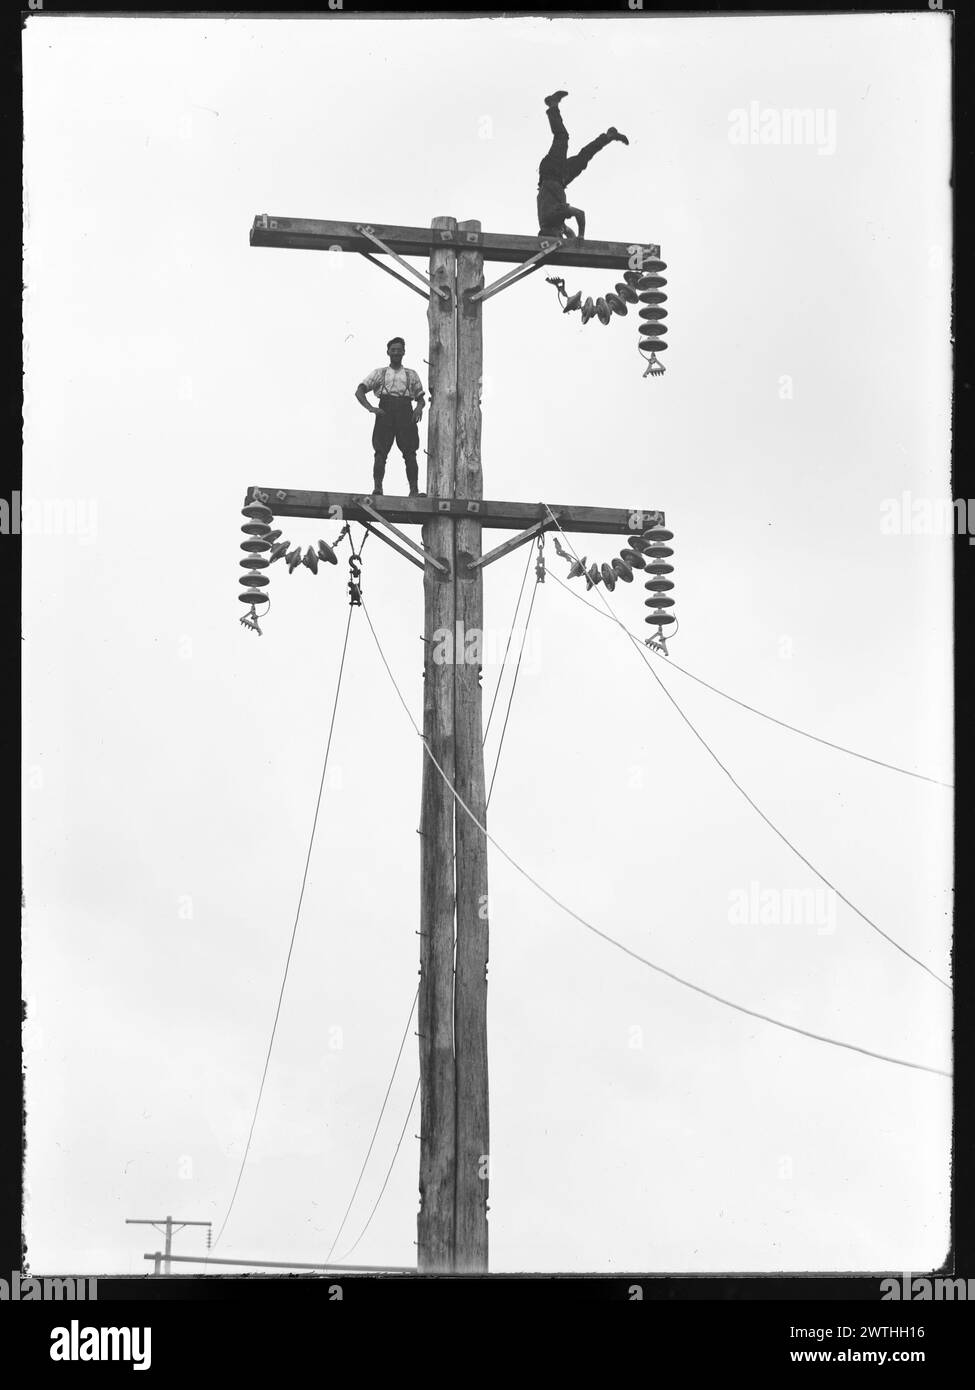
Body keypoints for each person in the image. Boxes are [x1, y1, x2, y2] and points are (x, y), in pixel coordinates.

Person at [536, 90, 629, 240]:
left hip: (551, 171)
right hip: (560, 178)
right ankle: (609, 136)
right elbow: (568, 233)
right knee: (584, 157)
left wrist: (581, 236)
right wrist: (573, 238)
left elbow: (580, 214)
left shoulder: (551, 217)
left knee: (562, 137)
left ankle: (552, 105)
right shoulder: (553, 223)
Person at [355, 337, 426, 496]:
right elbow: (359, 391)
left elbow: (421, 399)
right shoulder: (380, 373)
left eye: (399, 350)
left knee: (410, 453)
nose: (396, 353)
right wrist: (371, 408)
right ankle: (378, 488)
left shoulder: (411, 374)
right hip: (385, 411)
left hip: (405, 411)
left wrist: (418, 408)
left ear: (404, 352)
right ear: (388, 352)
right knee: (380, 452)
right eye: (393, 350)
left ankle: (414, 490)